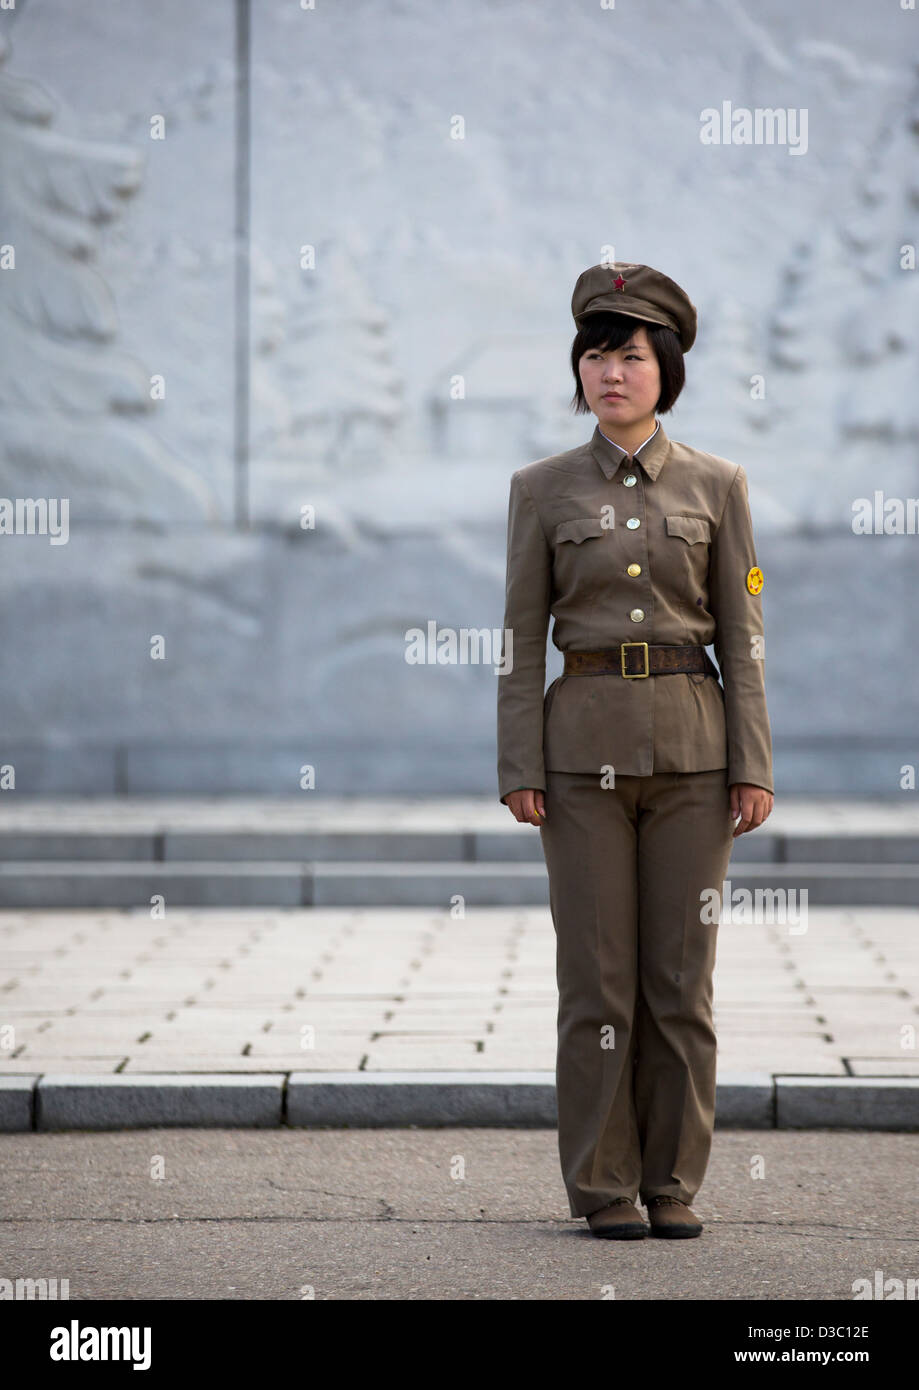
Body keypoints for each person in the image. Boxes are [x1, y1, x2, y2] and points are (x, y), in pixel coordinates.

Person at [496, 262, 774, 1240]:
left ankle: (673, 1181)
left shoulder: (717, 485)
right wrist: (519, 765)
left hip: (696, 759)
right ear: (576, 371)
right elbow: (519, 636)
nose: (609, 371)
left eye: (630, 354)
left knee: (679, 979)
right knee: (597, 979)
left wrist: (753, 760)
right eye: (594, 353)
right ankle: (604, 1183)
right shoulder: (540, 489)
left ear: (665, 371)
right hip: (578, 763)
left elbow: (740, 633)